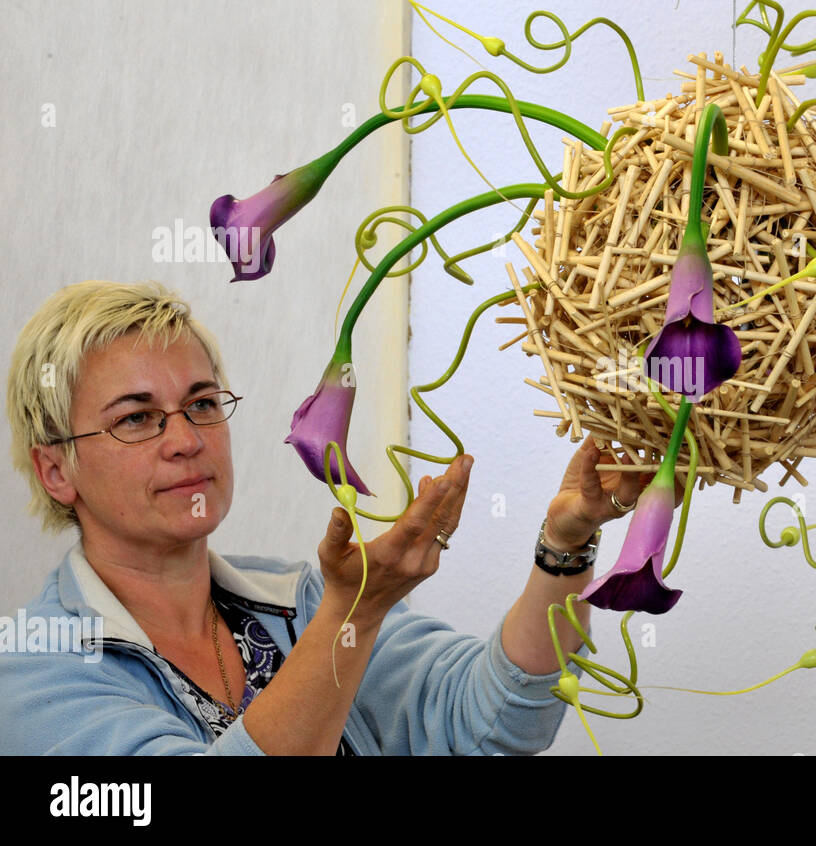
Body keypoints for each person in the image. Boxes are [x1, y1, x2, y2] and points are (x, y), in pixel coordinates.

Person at [1, 280, 653, 755]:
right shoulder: (31, 674)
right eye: (136, 417)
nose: (185, 439)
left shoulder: (302, 601)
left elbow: (498, 719)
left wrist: (565, 545)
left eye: (202, 403)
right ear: (56, 470)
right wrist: (355, 613)